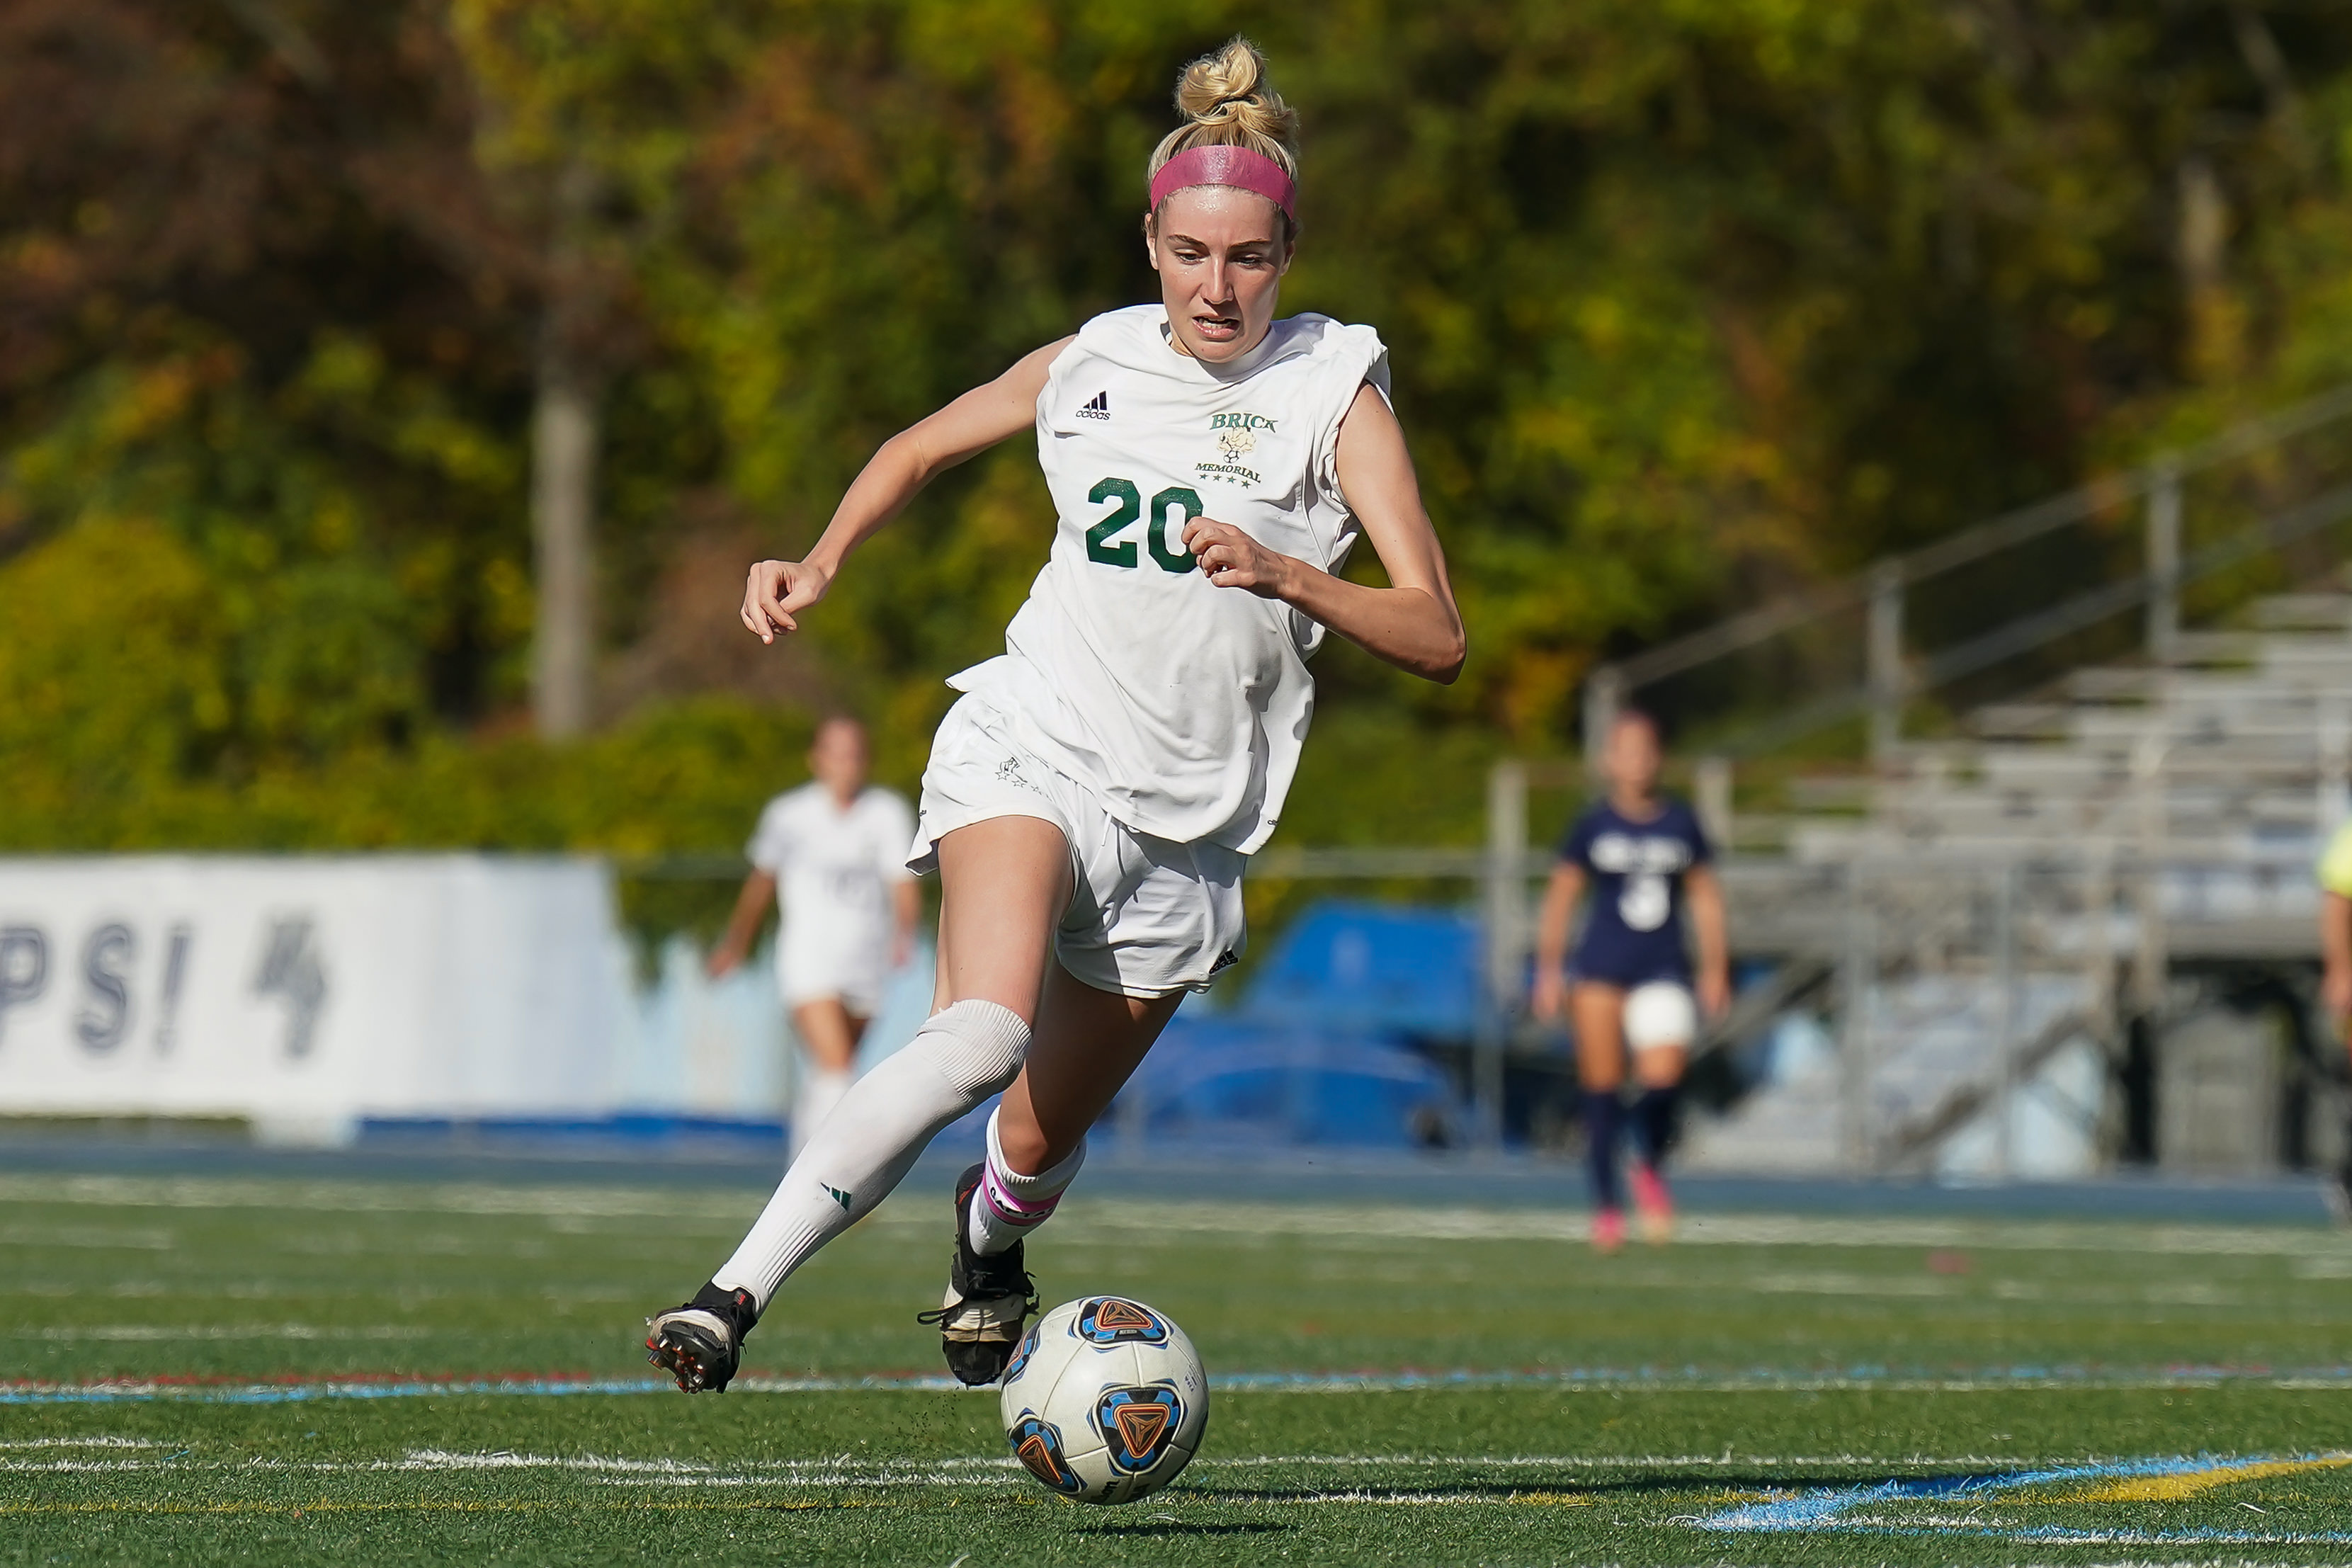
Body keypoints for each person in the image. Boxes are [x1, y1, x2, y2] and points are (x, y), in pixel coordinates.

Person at [644, 37, 1465, 1392]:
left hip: (1191, 829)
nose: (1218, 285)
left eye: (1249, 257)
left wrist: (1288, 572)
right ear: (1150, 240)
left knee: (1030, 1145)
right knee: (980, 1030)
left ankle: (987, 1240)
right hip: (1037, 738)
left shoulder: (1333, 390)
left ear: (1289, 254)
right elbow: (916, 445)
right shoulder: (1092, 359)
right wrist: (822, 555)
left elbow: (1437, 631)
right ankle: (730, 1292)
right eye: (1191, 252)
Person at [1531, 709, 1729, 1251]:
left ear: (1658, 757)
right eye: (1625, 750)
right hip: (1600, 966)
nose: (1636, 761)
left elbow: (1705, 897)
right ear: (1608, 761)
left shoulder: (1680, 822)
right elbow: (1562, 896)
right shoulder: (1592, 823)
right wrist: (1548, 970)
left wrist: (1716, 968)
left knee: (1663, 1080)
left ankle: (1646, 1161)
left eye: (1645, 749)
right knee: (1600, 1088)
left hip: (1662, 963)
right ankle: (1606, 1208)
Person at [705, 715, 921, 1166]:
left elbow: (902, 882)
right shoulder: (789, 815)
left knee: (829, 1074)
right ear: (817, 760)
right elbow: (762, 882)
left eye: (855, 754)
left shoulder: (885, 812)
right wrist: (735, 943)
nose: (847, 765)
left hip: (865, 963)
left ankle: (798, 1163)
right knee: (840, 1069)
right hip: (809, 962)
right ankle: (832, 1176)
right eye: (836, 754)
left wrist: (904, 935)